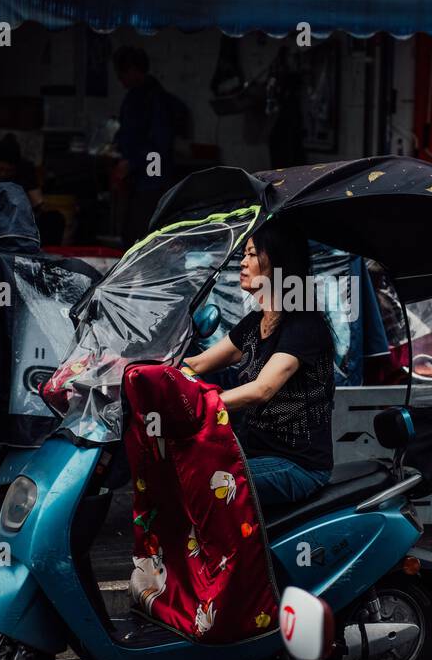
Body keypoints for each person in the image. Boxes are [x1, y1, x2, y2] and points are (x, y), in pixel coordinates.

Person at [183, 222, 335, 510]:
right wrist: (145, 369)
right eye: (243, 254)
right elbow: (199, 363)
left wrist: (199, 404)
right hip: (255, 455)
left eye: (252, 254)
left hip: (297, 466)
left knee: (205, 481)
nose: (242, 262)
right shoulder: (255, 323)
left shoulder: (303, 326)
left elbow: (261, 390)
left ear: (278, 262)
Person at [112, 46, 188, 248]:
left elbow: (158, 145)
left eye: (122, 72)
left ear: (135, 70)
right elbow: (129, 132)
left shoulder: (154, 98)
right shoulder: (133, 97)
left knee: (144, 230)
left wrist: (139, 167)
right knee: (131, 229)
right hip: (138, 177)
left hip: (150, 179)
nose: (120, 78)